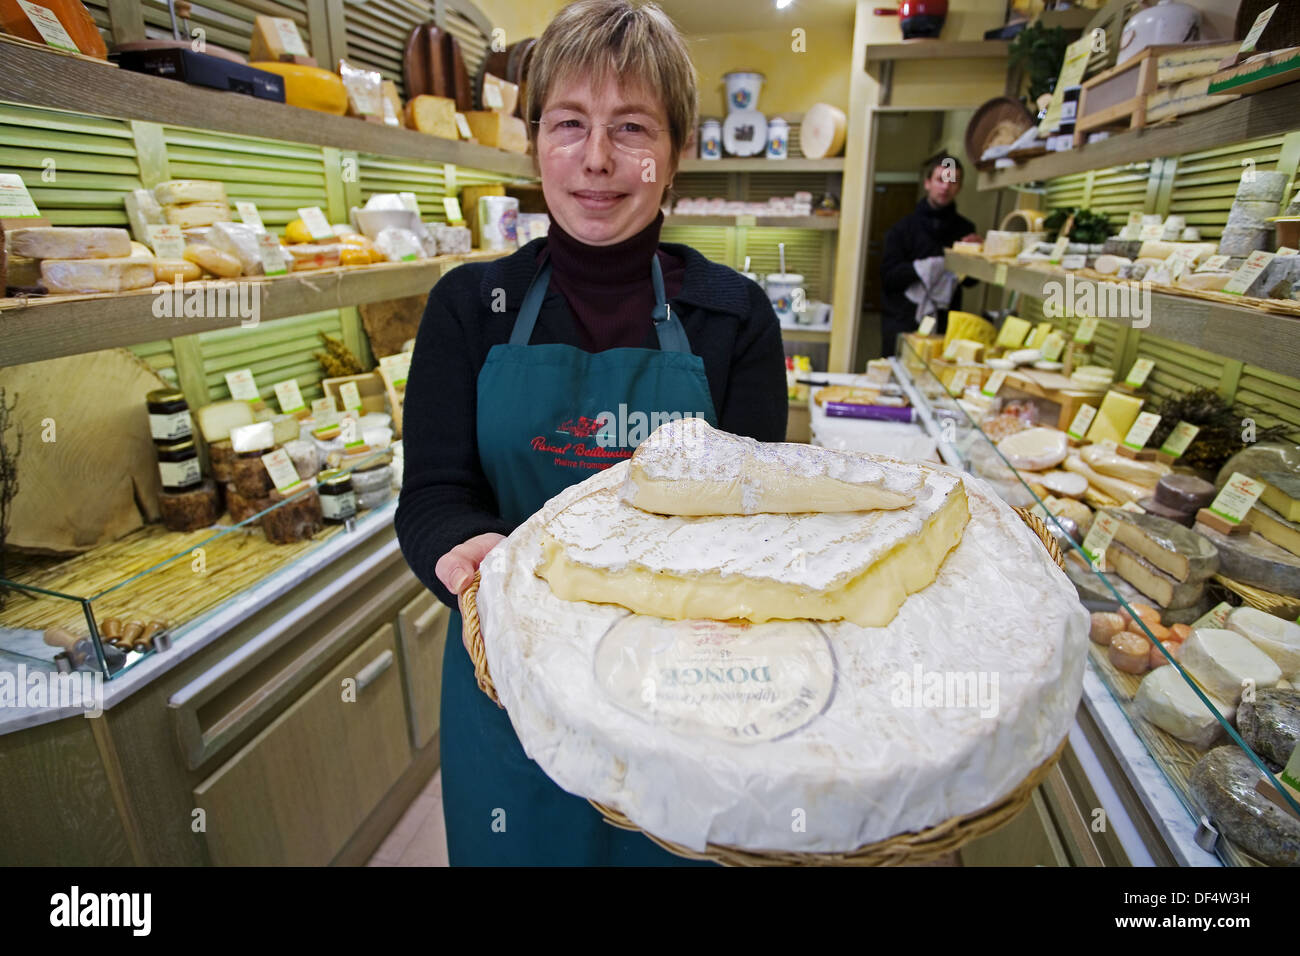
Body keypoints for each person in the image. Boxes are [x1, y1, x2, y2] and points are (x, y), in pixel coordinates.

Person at [394, 0, 788, 866]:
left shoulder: (733, 317)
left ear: (676, 152)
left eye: (632, 127)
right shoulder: (470, 309)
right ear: (535, 142)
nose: (598, 159)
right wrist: (466, 554)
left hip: (683, 699)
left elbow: (759, 521)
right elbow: (434, 495)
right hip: (514, 689)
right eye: (568, 123)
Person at [878, 152, 982, 357]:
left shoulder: (965, 229)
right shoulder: (902, 229)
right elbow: (888, 277)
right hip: (902, 321)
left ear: (959, 187)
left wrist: (976, 257)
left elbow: (969, 282)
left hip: (944, 323)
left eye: (953, 181)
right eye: (940, 179)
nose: (945, 187)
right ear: (927, 183)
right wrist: (927, 268)